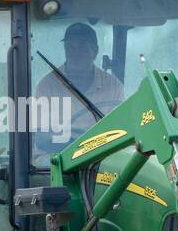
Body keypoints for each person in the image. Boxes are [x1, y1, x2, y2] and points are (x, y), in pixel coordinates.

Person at [34, 22, 124, 156]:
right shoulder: (48, 86)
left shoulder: (113, 86)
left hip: (99, 160)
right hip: (56, 161)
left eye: (82, 47)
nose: (75, 53)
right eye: (70, 47)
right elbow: (41, 137)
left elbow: (120, 131)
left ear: (95, 51)